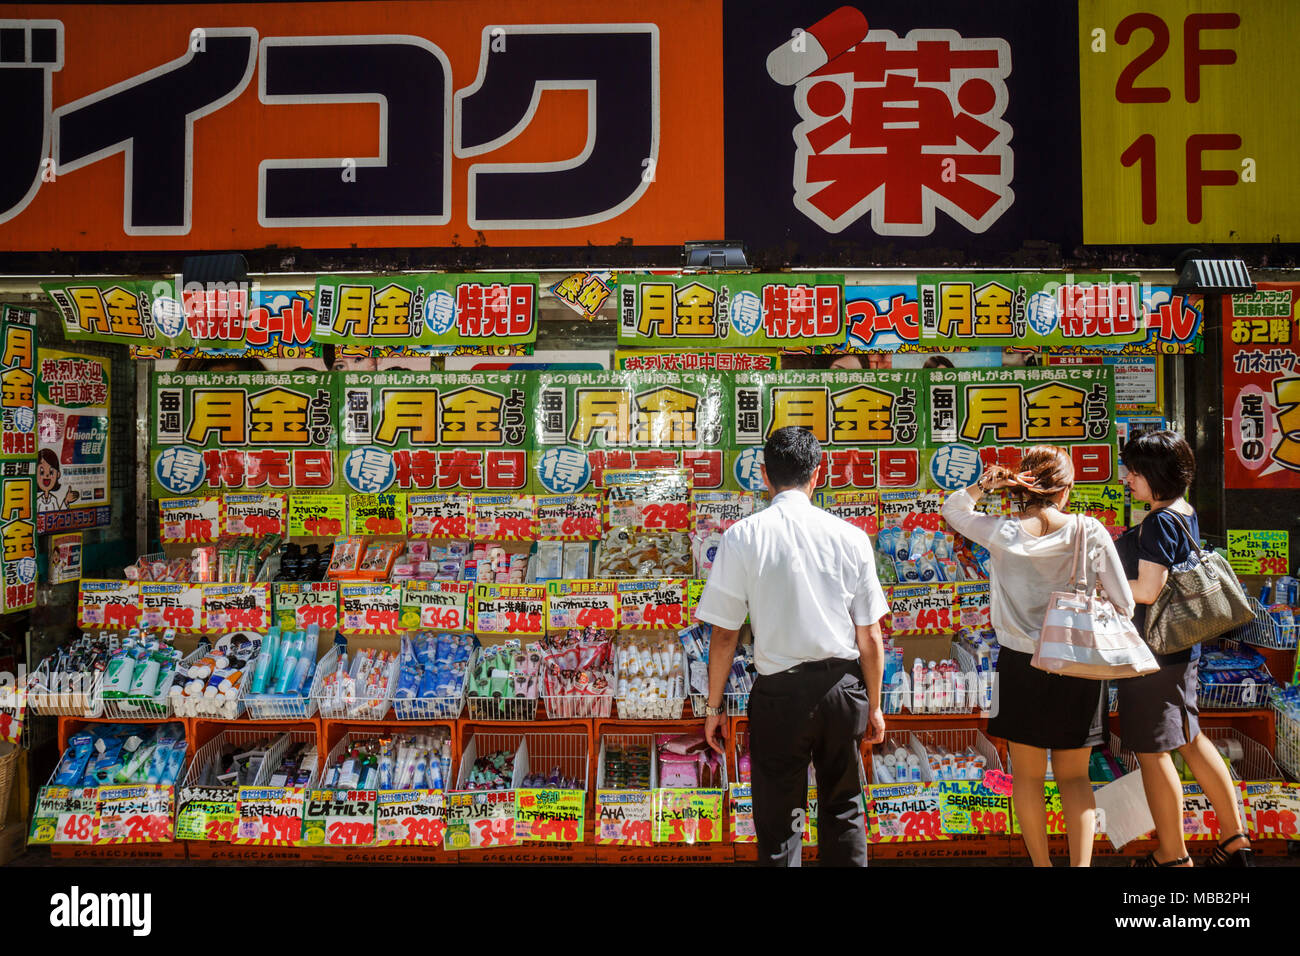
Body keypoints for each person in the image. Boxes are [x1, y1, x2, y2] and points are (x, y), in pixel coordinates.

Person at [695, 426, 889, 866]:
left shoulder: (743, 536)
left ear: (764, 475)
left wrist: (712, 708)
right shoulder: (850, 536)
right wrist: (874, 705)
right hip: (842, 689)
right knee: (845, 809)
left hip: (779, 693)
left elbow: (725, 634)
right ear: (817, 474)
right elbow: (870, 635)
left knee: (779, 819)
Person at [942, 447, 1133, 866]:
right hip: (1079, 664)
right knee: (1075, 777)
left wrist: (983, 485)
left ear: (1021, 487)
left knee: (1026, 777)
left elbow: (953, 509)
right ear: (1066, 489)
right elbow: (1125, 603)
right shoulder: (1090, 531)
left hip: (1020, 665)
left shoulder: (1004, 533)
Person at [1117, 430, 1254, 867]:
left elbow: (1148, 590)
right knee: (1192, 739)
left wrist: (1103, 585)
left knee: (1154, 751)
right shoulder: (1183, 511)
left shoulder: (1158, 522)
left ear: (1154, 474)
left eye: (1134, 471)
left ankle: (1172, 856)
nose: (1127, 478)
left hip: (1154, 655)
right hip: (1182, 650)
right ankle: (1235, 839)